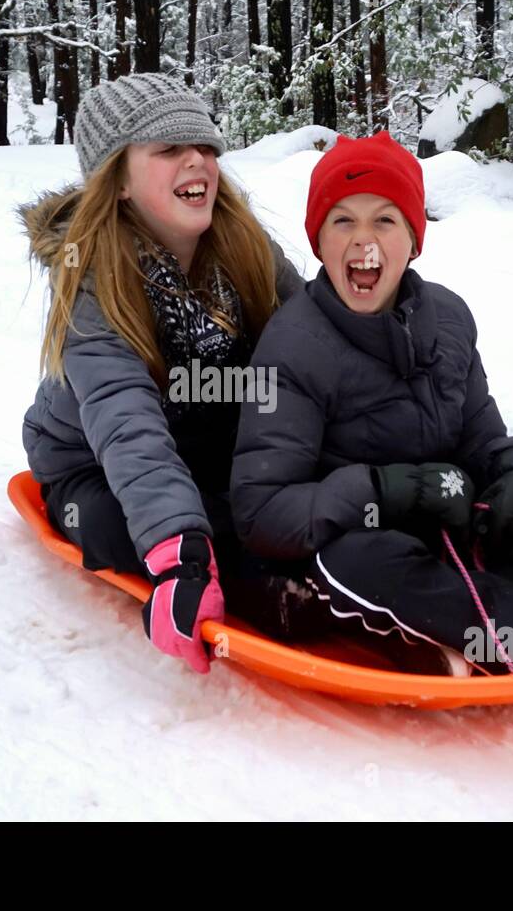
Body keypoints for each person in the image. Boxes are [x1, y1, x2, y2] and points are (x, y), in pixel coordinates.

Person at [229, 131, 513, 676]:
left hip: (462, 529)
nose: (363, 242)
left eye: (385, 221)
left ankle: (487, 606)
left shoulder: (448, 318)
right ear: (318, 240)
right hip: (378, 542)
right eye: (343, 221)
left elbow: (482, 436)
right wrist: (383, 491)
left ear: (414, 240)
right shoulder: (294, 346)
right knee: (347, 562)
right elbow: (261, 512)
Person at [21, 72, 309, 674]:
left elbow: (316, 345)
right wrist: (179, 553)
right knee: (142, 528)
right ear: (118, 180)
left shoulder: (244, 245)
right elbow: (126, 423)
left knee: (299, 496)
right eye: (169, 149)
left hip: (208, 443)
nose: (197, 162)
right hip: (98, 465)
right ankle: (278, 598)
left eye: (204, 147)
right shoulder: (93, 282)